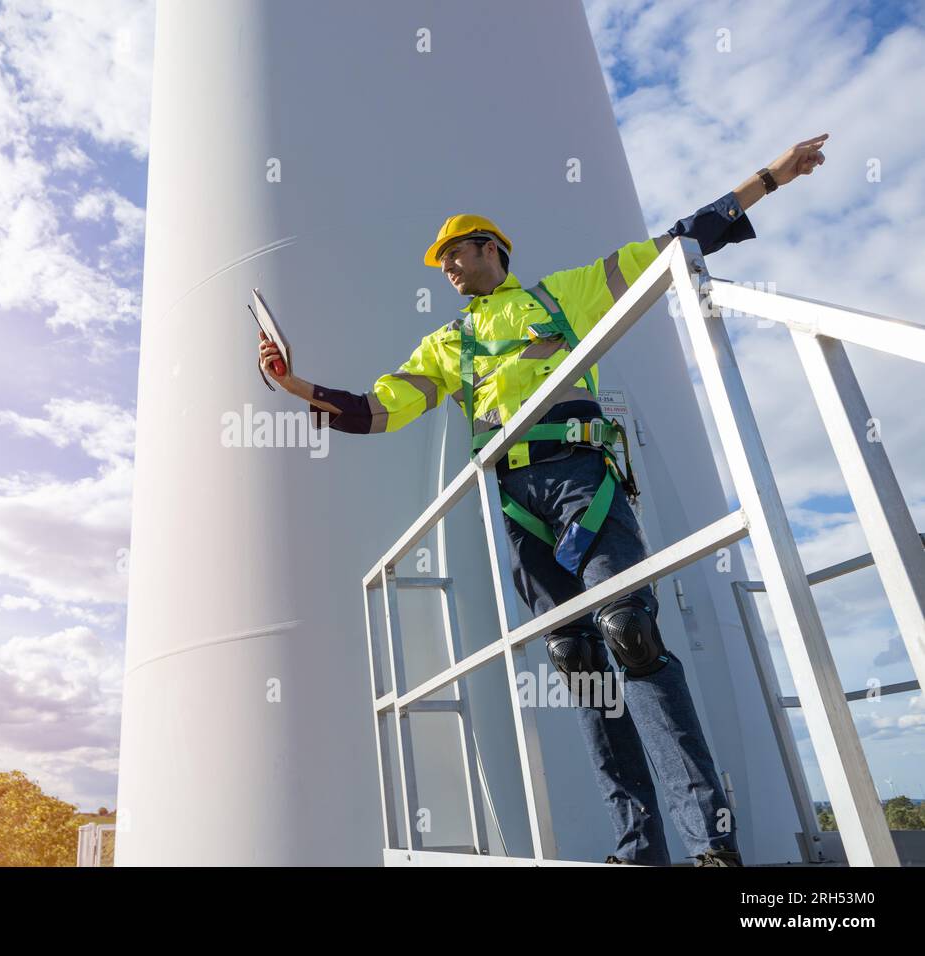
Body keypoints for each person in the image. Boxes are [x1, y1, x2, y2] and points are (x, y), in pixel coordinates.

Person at [258, 135, 829, 866]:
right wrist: (294, 386)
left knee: (632, 634)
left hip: (581, 480)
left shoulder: (563, 294)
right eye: (442, 264)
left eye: (457, 253)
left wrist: (771, 177)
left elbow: (672, 246)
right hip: (516, 502)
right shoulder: (446, 345)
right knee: (577, 659)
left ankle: (710, 846)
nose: (449, 269)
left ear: (493, 247)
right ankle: (639, 848)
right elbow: (377, 410)